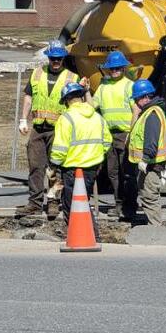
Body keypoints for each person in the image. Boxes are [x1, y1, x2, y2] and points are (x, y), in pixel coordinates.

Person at [16, 40, 87, 218]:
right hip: (38, 128)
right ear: (49, 57)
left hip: (59, 129)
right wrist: (23, 119)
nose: (56, 61)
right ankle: (35, 202)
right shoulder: (37, 74)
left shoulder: (72, 77)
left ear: (64, 58)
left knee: (55, 168)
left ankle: (54, 202)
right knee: (35, 166)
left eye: (59, 58)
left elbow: (78, 103)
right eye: (53, 58)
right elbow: (28, 97)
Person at [49, 82, 111, 238]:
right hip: (92, 166)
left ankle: (79, 234)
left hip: (72, 167)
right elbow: (107, 141)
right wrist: (96, 156)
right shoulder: (97, 116)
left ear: (67, 100)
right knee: (84, 200)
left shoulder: (66, 118)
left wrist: (54, 164)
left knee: (72, 204)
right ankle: (90, 234)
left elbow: (60, 146)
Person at [91, 50, 136, 219]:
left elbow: (136, 110)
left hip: (125, 134)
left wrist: (132, 134)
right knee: (112, 172)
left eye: (118, 67)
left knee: (127, 172)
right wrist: (86, 91)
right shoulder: (103, 87)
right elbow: (92, 106)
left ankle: (129, 206)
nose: (115, 70)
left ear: (123, 68)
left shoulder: (129, 86)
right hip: (109, 135)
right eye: (112, 68)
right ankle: (118, 204)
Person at [125, 79, 166, 225]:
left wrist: (145, 159)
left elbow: (151, 140)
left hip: (151, 164)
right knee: (146, 194)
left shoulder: (151, 114)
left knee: (150, 196)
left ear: (144, 97)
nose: (136, 103)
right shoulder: (148, 112)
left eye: (136, 99)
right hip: (150, 164)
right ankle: (153, 227)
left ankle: (156, 229)